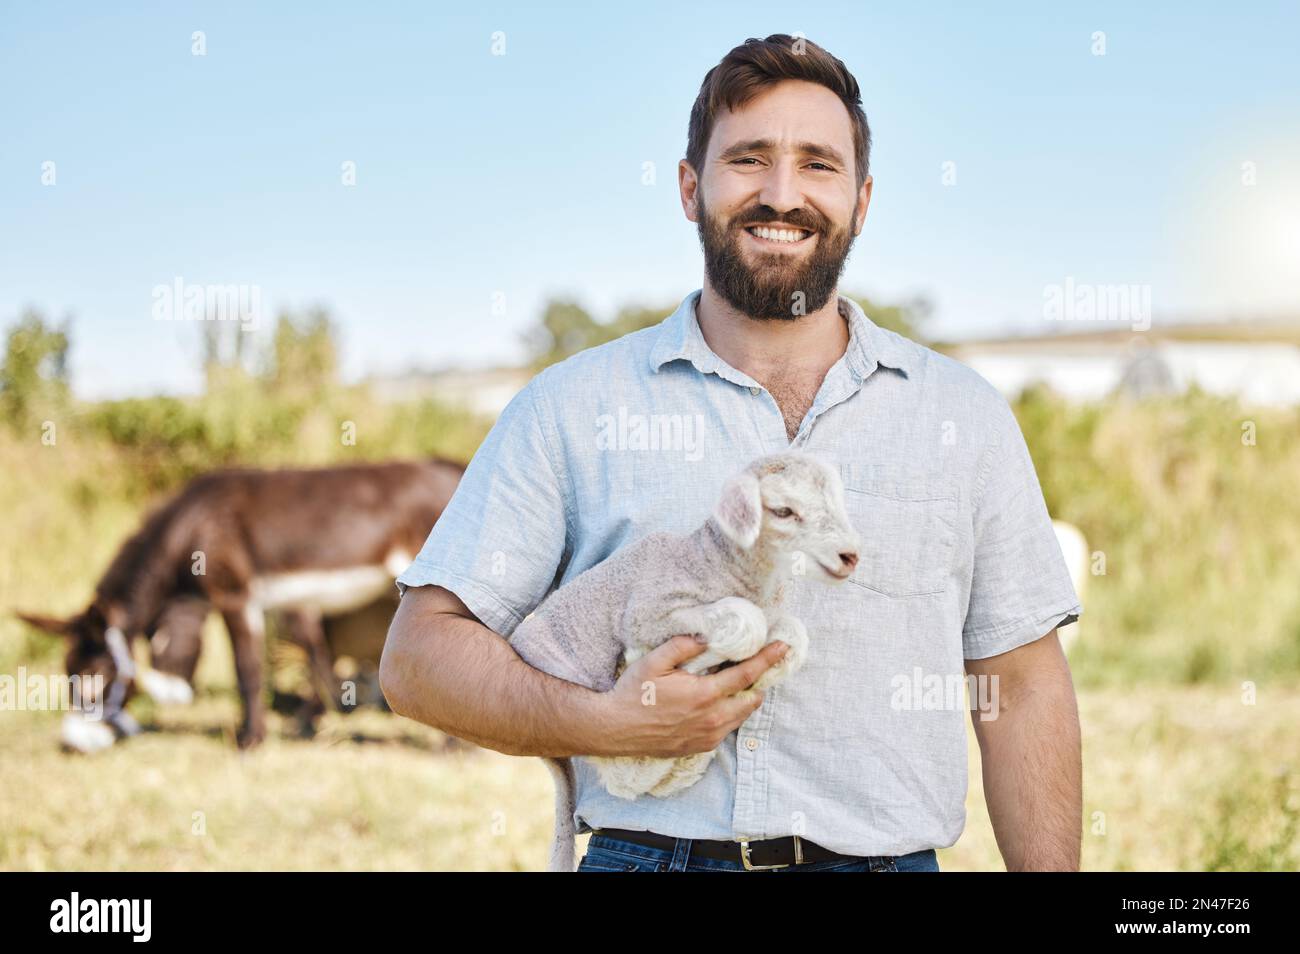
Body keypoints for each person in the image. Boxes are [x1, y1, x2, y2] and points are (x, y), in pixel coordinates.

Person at [380, 34, 1083, 873]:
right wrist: (606, 722)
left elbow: (1024, 687)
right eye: (748, 159)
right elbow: (417, 660)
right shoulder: (571, 408)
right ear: (690, 187)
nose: (781, 194)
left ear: (862, 200)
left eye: (818, 165)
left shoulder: (962, 417)